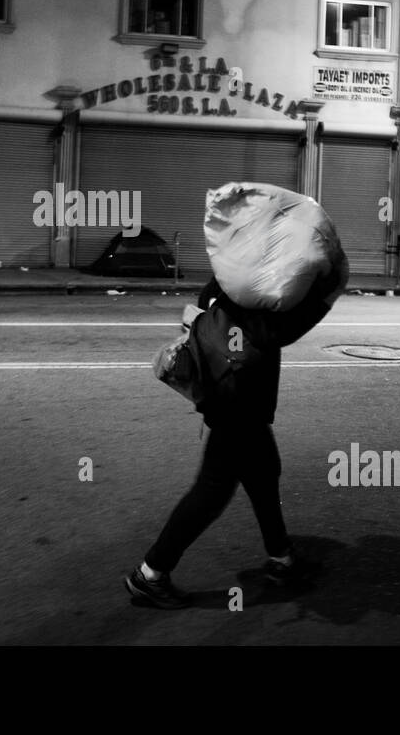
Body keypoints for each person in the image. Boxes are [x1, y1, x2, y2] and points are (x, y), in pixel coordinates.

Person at [125, 253, 349, 609]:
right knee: (211, 492)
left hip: (230, 401)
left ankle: (282, 557)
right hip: (237, 407)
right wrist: (324, 297)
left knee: (264, 474)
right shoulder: (247, 299)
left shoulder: (222, 285)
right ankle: (150, 574)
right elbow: (275, 331)